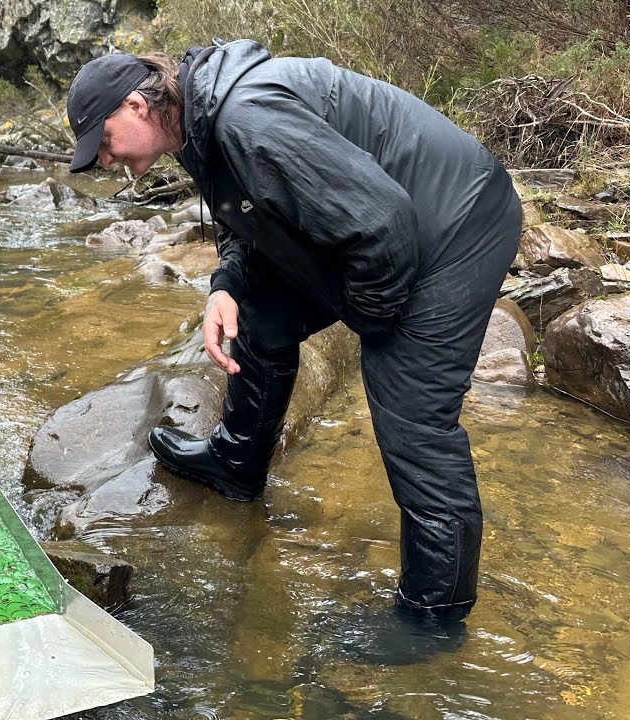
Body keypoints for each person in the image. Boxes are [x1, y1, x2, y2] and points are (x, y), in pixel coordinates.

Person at [64, 39, 522, 620]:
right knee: (254, 307)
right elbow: (250, 218)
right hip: (393, 219)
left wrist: (375, 322)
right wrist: (225, 286)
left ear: (135, 105)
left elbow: (382, 223)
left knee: (411, 414)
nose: (104, 161)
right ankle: (236, 463)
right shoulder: (195, 125)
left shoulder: (246, 118)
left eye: (102, 142)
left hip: (457, 221)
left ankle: (434, 617)